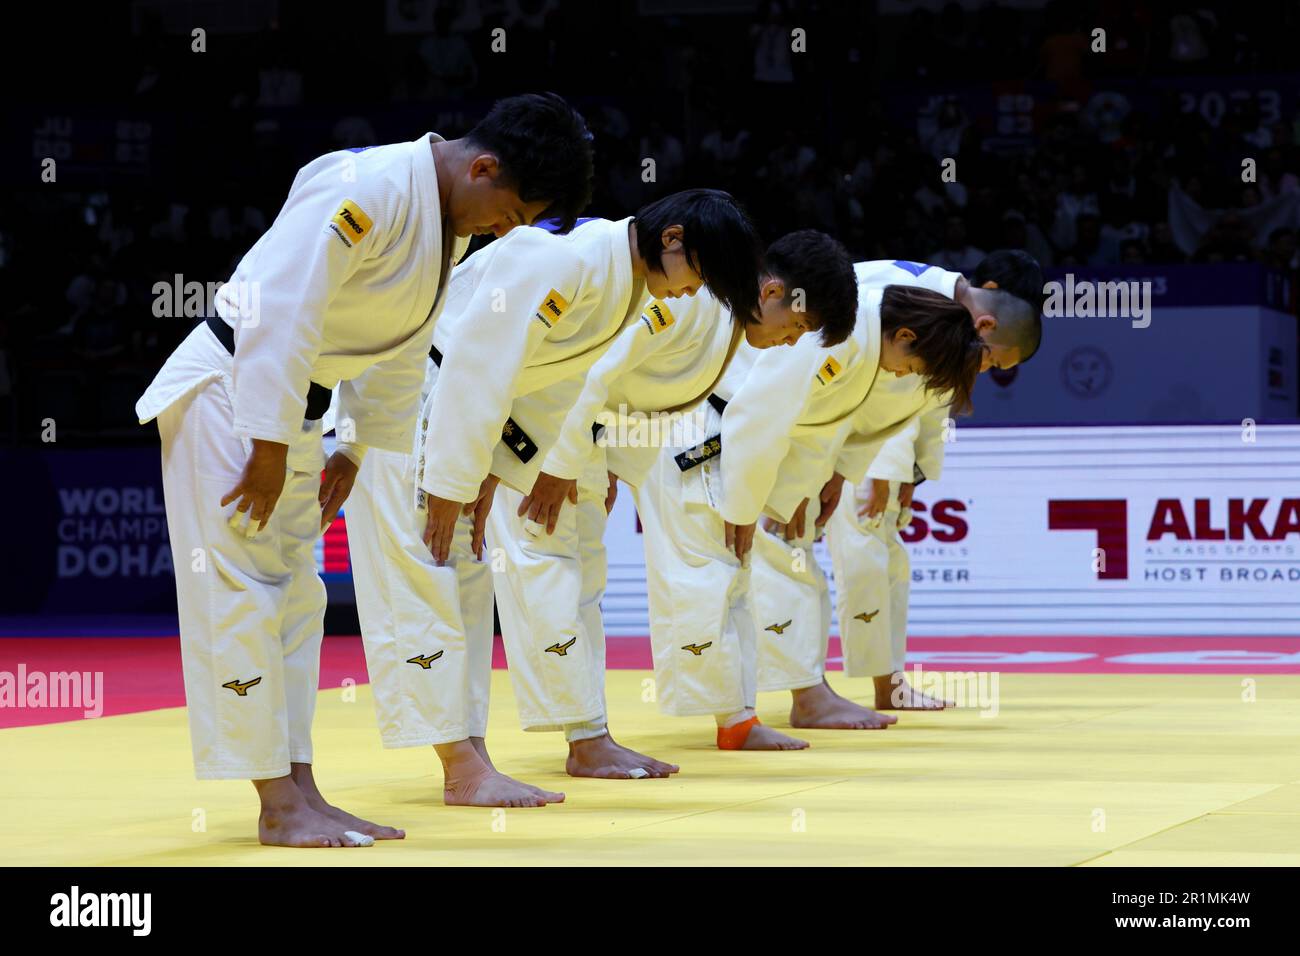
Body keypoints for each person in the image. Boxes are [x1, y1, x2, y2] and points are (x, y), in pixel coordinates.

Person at [135, 93, 594, 848]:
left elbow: (397, 349)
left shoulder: (442, 225)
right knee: (242, 592)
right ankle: (277, 805)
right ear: (482, 167)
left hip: (293, 413)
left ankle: (301, 791)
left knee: (297, 599)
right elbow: (283, 305)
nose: (497, 232)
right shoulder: (369, 189)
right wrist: (269, 442)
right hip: (233, 397)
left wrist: (355, 444)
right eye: (505, 215)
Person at [347, 189, 762, 807]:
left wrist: (490, 468)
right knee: (425, 573)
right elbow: (479, 365)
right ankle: (461, 765)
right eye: (695, 277)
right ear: (672, 239)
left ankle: (471, 755)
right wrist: (458, 476)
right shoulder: (572, 261)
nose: (685, 295)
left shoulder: (623, 281)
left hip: (466, 415)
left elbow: (540, 385)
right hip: (418, 394)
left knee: (460, 578)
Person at [488, 230, 858, 779]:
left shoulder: (726, 321)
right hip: (531, 416)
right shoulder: (691, 302)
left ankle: (594, 734)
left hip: (582, 428)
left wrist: (606, 460)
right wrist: (556, 466)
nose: (789, 342)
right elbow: (593, 373)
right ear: (775, 291)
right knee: (548, 568)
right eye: (796, 327)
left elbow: (624, 390)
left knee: (583, 578)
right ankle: (581, 739)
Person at [638, 283, 986, 750]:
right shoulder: (839, 336)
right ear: (904, 336)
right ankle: (753, 712)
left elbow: (817, 426)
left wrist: (814, 482)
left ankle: (739, 718)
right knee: (710, 577)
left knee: (734, 581)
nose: (903, 374)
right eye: (913, 365)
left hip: (740, 448)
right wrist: (755, 503)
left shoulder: (864, 341)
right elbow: (761, 414)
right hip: (708, 438)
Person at [822, 252, 1045, 710]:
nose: (989, 371)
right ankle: (822, 691)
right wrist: (881, 471)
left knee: (889, 566)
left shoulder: (949, 314)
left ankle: (889, 683)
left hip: (864, 452)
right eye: (995, 362)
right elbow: (875, 385)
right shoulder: (915, 298)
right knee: (860, 560)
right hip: (841, 446)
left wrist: (913, 473)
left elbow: (925, 404)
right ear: (989, 314)